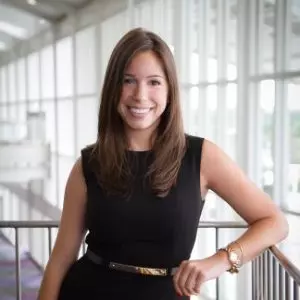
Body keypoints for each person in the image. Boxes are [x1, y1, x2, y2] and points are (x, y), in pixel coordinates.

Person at [37, 27, 288, 300]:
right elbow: (61, 260)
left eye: (154, 82)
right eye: (128, 80)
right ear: (113, 88)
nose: (140, 96)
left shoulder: (201, 156)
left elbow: (274, 222)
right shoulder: (88, 165)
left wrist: (220, 260)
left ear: (170, 90)